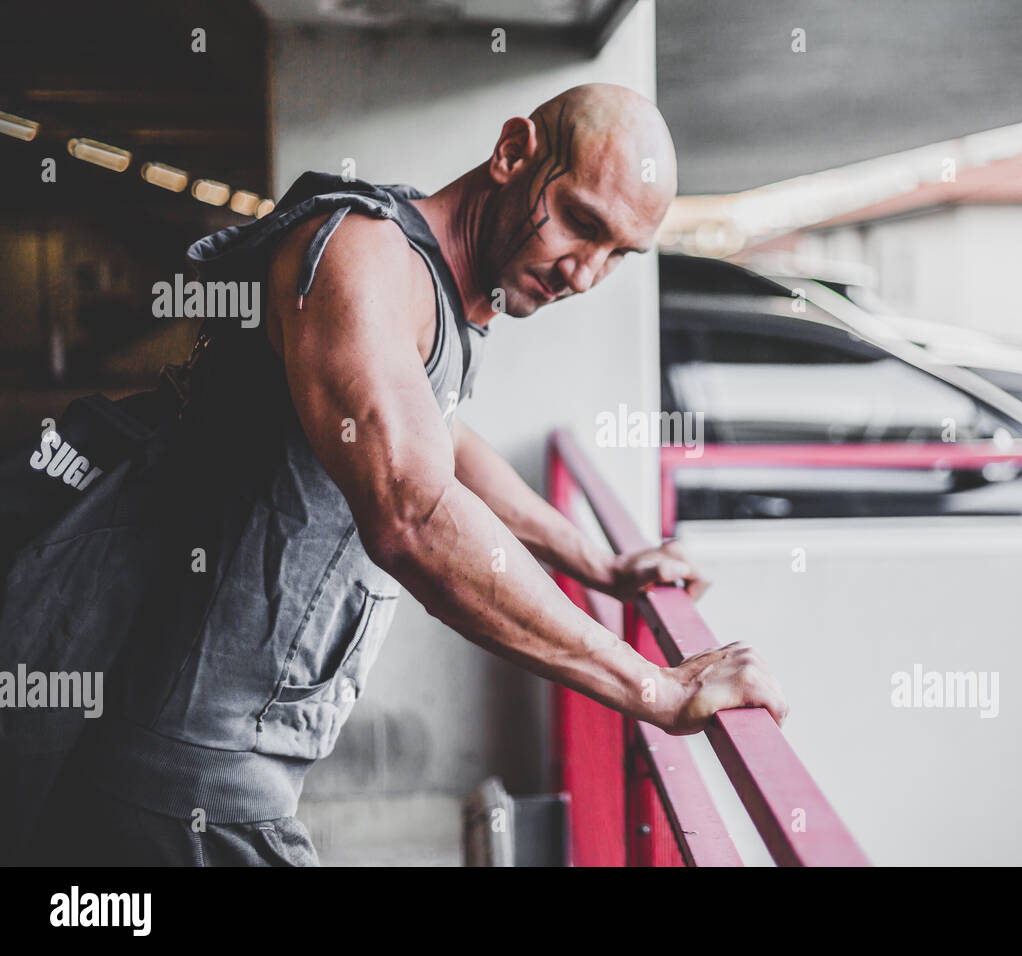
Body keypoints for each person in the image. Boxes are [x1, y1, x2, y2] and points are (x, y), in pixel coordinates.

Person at [19, 82, 788, 866]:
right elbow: (413, 513)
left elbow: (438, 441)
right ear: (513, 152)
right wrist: (656, 688)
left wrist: (598, 563)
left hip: (228, 761)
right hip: (188, 766)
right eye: (581, 223)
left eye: (618, 253)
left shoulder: (438, 285)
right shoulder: (364, 255)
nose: (585, 274)